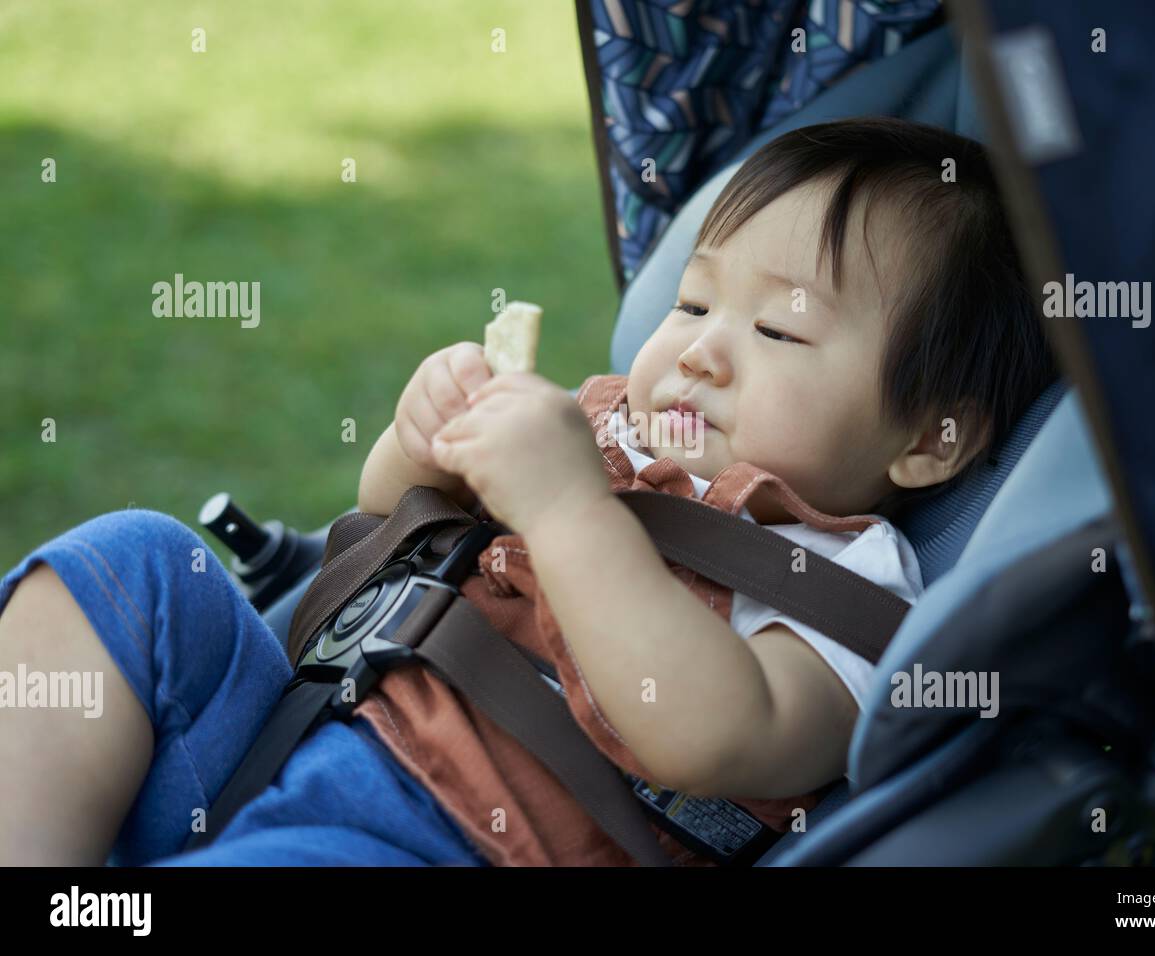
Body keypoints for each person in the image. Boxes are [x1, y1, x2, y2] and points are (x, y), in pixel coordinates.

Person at [0, 117, 1056, 865]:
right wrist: (424, 440)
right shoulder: (596, 423)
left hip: (444, 841)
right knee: (134, 563)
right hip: (288, 736)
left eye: (778, 330)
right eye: (691, 303)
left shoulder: (849, 581)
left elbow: (712, 734)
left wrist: (567, 512)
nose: (699, 354)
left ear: (931, 438)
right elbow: (386, 522)